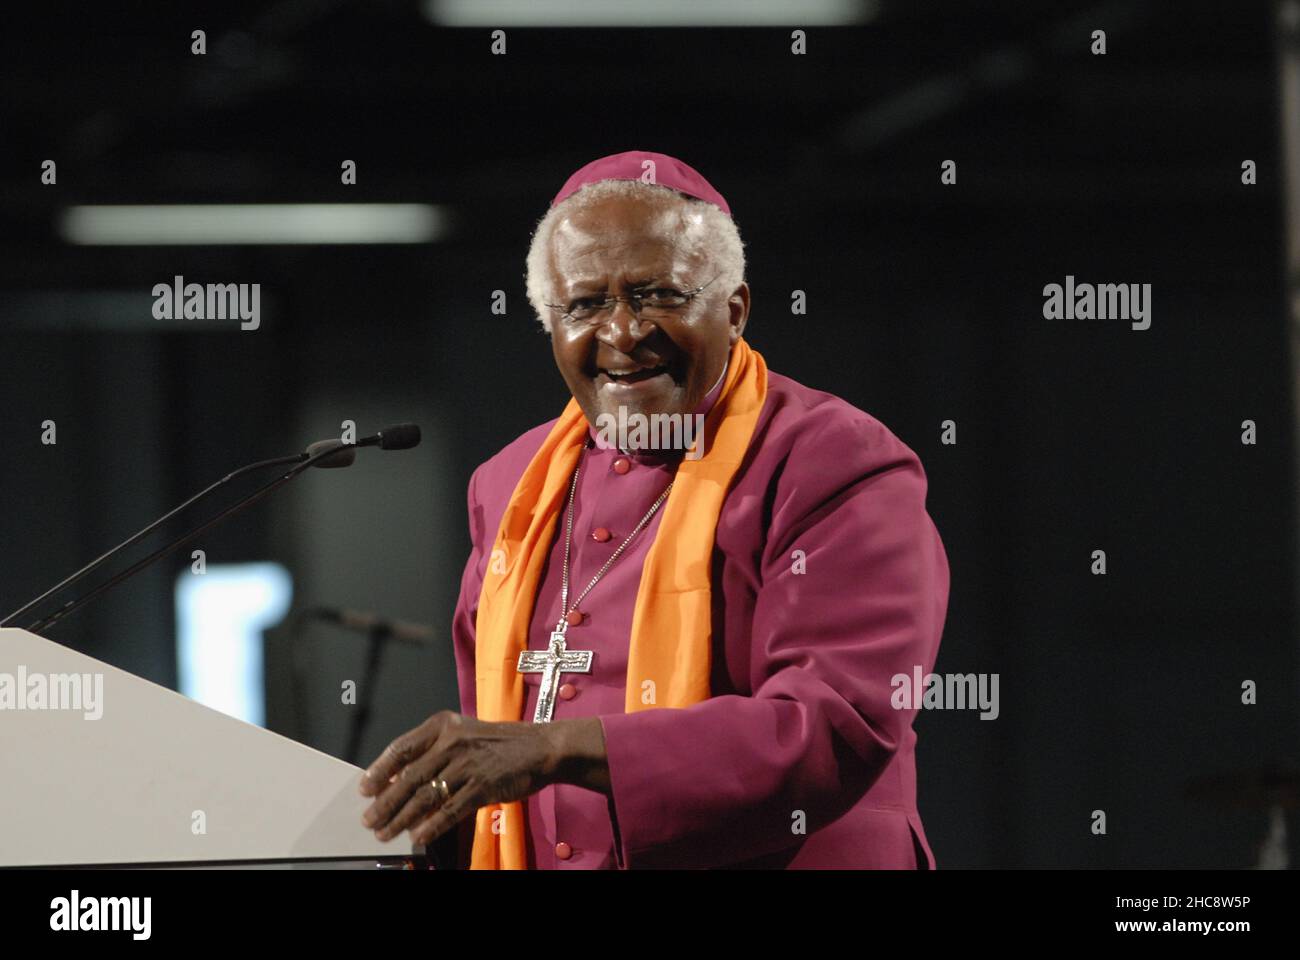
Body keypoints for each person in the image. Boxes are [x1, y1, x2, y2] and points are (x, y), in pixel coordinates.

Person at [359, 150, 950, 869]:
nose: (622, 333)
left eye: (657, 295)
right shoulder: (508, 482)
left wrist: (552, 751)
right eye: (584, 304)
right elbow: (492, 742)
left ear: (734, 311)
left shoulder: (834, 462)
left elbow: (833, 724)